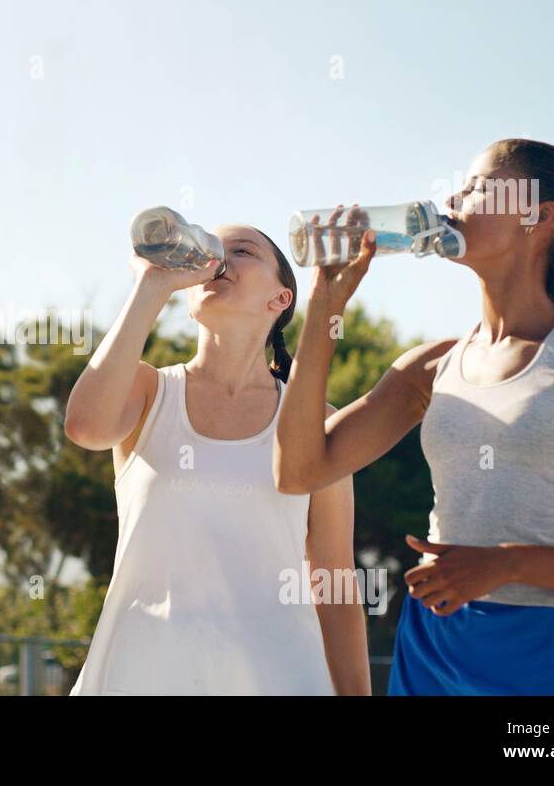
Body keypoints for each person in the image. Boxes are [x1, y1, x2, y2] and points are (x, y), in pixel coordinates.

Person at [274, 138, 554, 695]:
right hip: (433, 643)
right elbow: (299, 470)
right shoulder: (429, 367)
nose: (452, 197)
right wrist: (325, 305)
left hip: (548, 649)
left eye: (477, 187)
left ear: (539, 216)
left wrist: (508, 564)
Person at [64, 224, 368, 695]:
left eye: (240, 252)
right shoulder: (147, 392)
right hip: (140, 675)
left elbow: (334, 580)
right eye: (207, 253)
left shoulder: (316, 422)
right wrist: (152, 283)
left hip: (281, 679)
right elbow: (85, 427)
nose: (217, 262)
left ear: (280, 298)